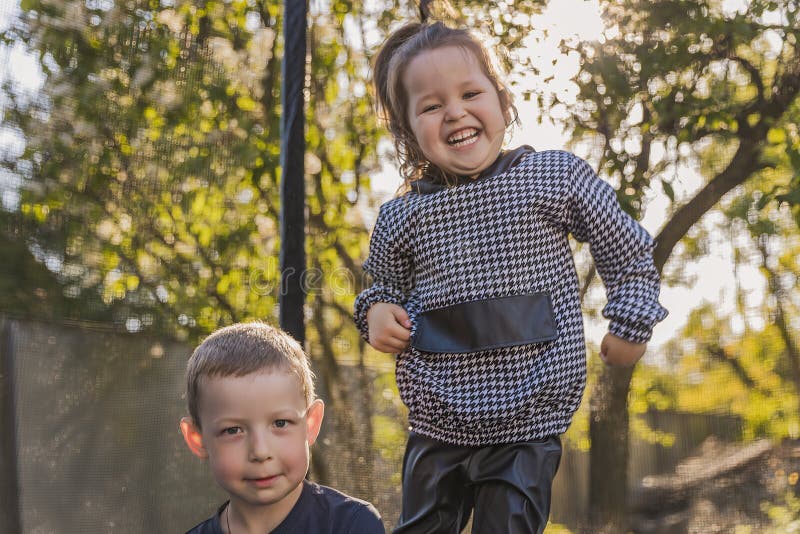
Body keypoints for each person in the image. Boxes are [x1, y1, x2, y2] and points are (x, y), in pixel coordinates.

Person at [353, 20, 668, 534]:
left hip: (530, 415)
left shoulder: (552, 177)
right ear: (408, 130)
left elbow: (627, 249)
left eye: (470, 93)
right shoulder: (400, 217)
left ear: (502, 100)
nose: (455, 111)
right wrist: (375, 312)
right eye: (431, 106)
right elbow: (382, 288)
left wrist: (631, 322)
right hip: (438, 420)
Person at [180, 322, 385, 534]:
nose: (260, 452)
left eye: (280, 423)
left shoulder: (351, 525)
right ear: (197, 439)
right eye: (233, 430)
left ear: (311, 424)